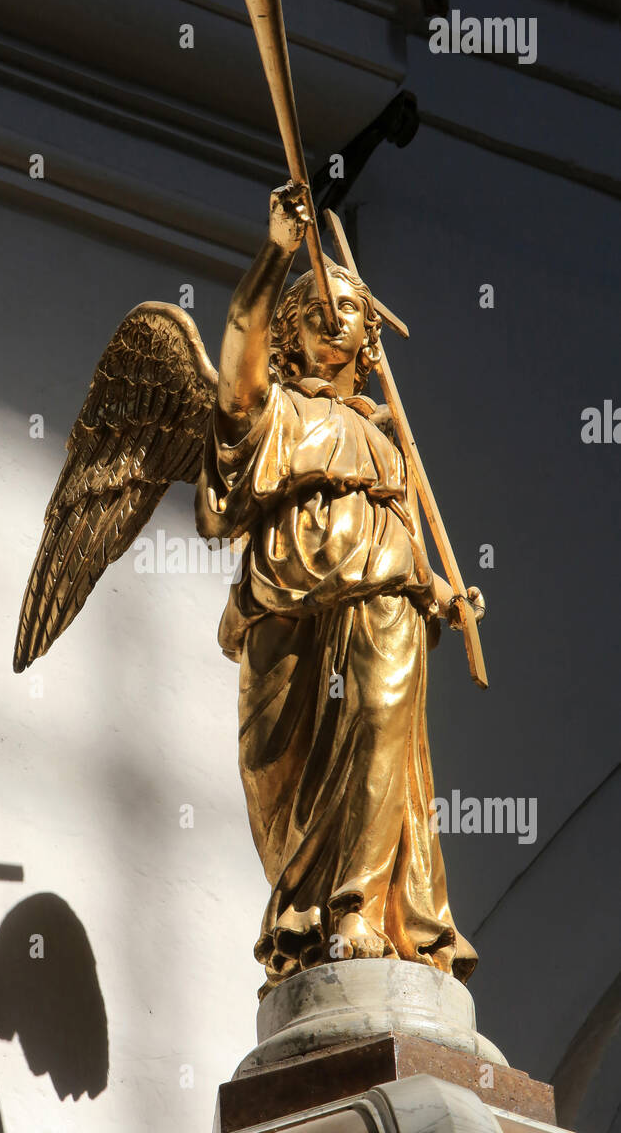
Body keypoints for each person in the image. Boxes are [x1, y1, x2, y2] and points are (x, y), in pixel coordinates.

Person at [196, 181, 485, 1000]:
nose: (337, 309)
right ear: (291, 332)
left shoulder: (384, 441)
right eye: (317, 301)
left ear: (367, 337)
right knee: (279, 770)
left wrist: (440, 593)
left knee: (382, 723)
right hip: (286, 607)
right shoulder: (273, 412)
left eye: (352, 303)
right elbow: (238, 351)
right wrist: (278, 252)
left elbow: (394, 538)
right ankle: (310, 907)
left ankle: (361, 906)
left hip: (383, 594)